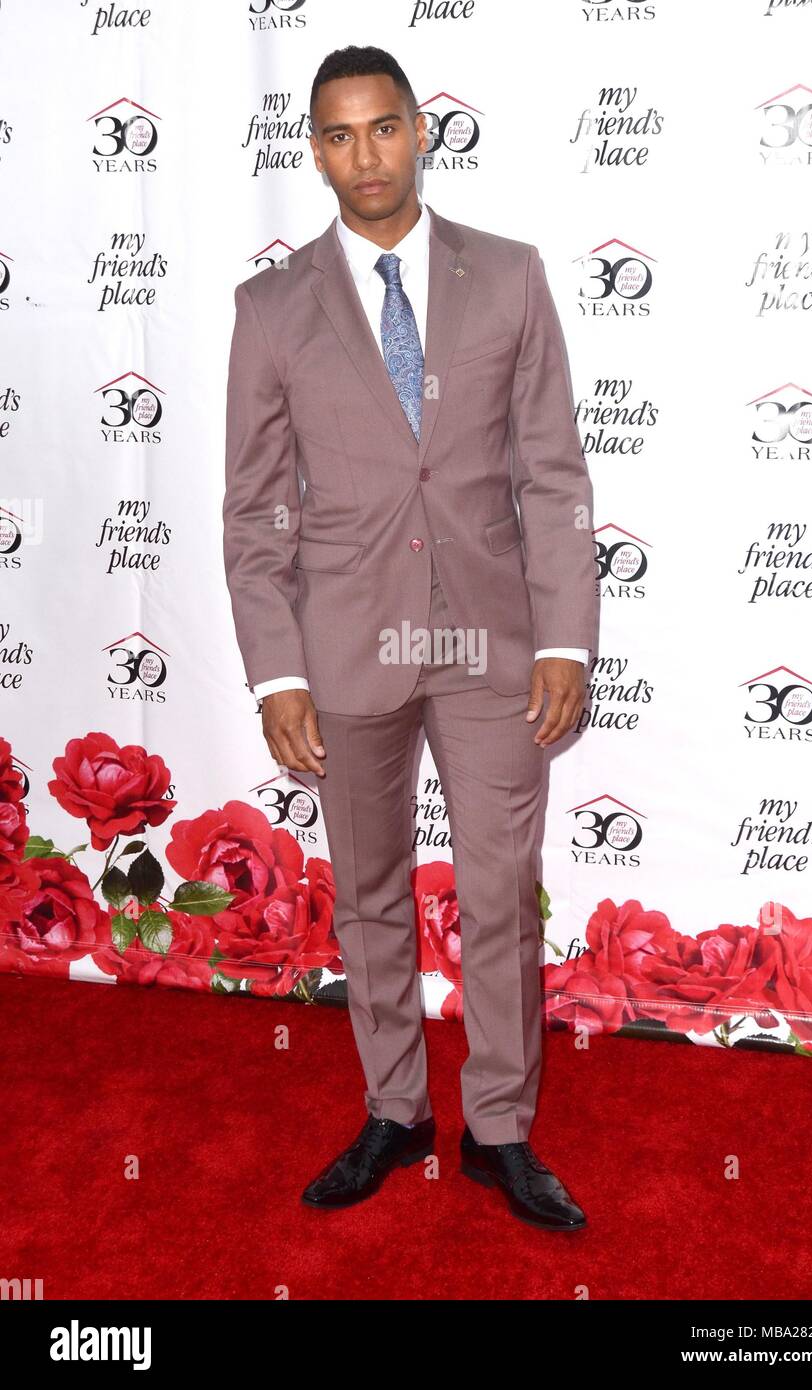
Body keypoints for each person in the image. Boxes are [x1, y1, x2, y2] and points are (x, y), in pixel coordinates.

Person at [223, 45, 598, 1232]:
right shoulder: (271, 305)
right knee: (371, 894)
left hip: (494, 644)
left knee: (498, 888)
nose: (363, 156)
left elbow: (550, 470)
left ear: (420, 130)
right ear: (313, 150)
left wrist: (566, 642)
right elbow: (250, 505)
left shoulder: (509, 277)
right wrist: (278, 669)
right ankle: (395, 1110)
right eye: (336, 137)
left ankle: (497, 1128)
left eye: (382, 129)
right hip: (343, 649)